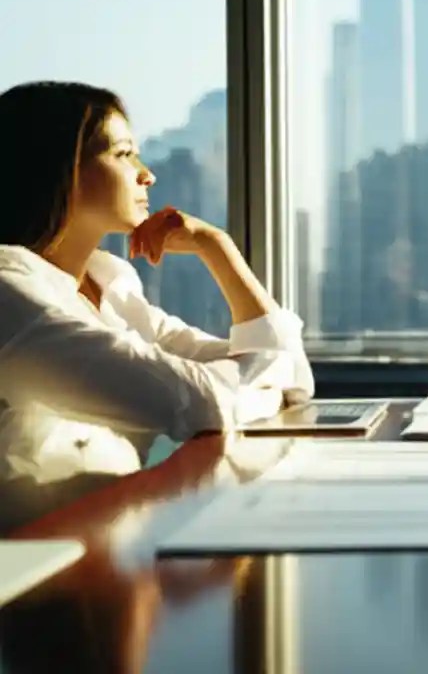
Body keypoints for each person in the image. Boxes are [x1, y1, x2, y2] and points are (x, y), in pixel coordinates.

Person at [0, 81, 313, 486]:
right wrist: (262, 378)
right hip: (38, 544)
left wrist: (218, 249)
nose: (146, 174)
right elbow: (203, 402)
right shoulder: (10, 295)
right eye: (124, 154)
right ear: (58, 169)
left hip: (114, 529)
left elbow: (295, 383)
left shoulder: (110, 286)